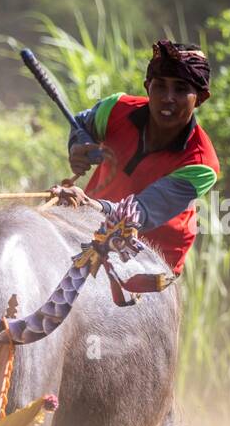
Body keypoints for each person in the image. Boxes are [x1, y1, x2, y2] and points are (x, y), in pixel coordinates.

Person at [50, 40, 220, 275]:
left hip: (150, 259)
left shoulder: (200, 163)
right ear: (148, 86)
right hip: (89, 230)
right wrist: (79, 146)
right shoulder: (115, 108)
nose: (168, 97)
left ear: (200, 98)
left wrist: (89, 204)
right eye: (160, 86)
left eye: (181, 89)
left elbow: (140, 212)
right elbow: (81, 123)